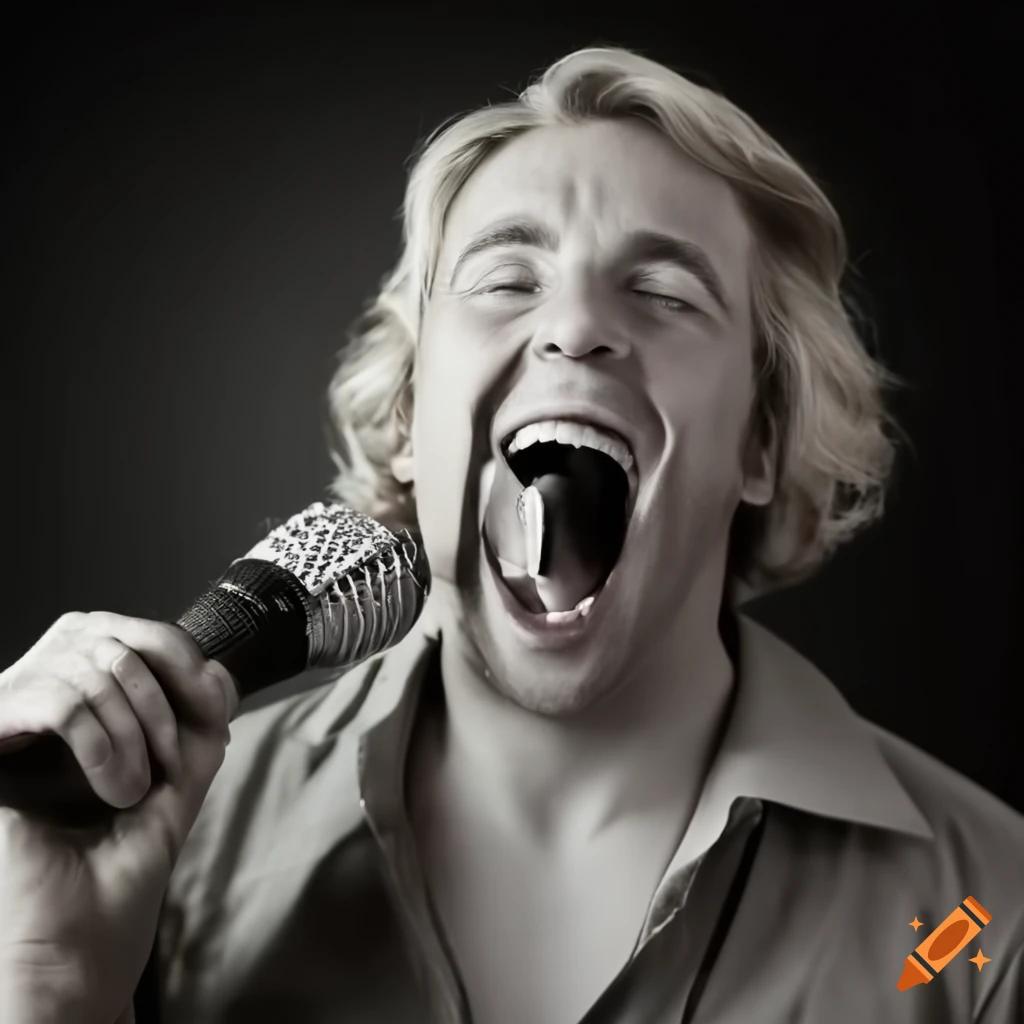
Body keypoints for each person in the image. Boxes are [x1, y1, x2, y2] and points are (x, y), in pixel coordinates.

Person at [0, 45, 1021, 1024]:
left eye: (665, 293)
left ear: (759, 439)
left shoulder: (982, 908)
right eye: (505, 280)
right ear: (408, 415)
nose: (573, 327)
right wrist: (48, 990)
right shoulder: (153, 848)